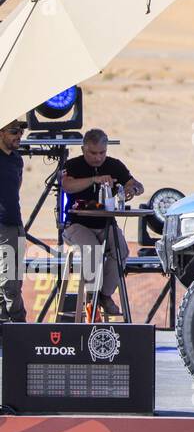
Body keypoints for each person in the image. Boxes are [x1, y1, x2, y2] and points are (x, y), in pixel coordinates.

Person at [61, 128, 145, 318]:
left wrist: (133, 189)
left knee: (121, 251)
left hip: (106, 224)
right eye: (93, 153)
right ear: (83, 149)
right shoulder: (73, 165)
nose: (98, 158)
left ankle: (103, 296)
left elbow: (136, 183)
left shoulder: (114, 165)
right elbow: (67, 186)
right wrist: (94, 179)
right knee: (92, 249)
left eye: (102, 153)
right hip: (76, 224)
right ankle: (92, 296)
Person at [0, 119, 27, 323]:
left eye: (21, 131)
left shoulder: (17, 159)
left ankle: (18, 325)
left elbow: (16, 188)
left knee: (11, 283)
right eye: (14, 131)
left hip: (12, 225)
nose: (19, 135)